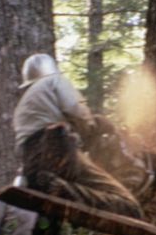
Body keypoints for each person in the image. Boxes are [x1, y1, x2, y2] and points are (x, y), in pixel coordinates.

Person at [13, 53, 142, 219]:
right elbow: (77, 112)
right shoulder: (54, 81)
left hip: (32, 166)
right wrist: (96, 125)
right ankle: (60, 188)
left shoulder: (22, 107)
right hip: (58, 150)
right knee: (128, 205)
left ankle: (57, 187)